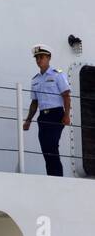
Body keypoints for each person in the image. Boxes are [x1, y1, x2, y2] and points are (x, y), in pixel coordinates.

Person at [25, 44, 72, 177]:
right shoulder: (35, 80)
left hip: (56, 115)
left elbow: (66, 95)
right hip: (43, 117)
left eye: (41, 57)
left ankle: (58, 177)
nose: (39, 60)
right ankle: (51, 176)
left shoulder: (57, 75)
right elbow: (34, 102)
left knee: (52, 145)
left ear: (48, 58)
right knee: (45, 148)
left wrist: (67, 115)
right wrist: (28, 120)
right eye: (37, 58)